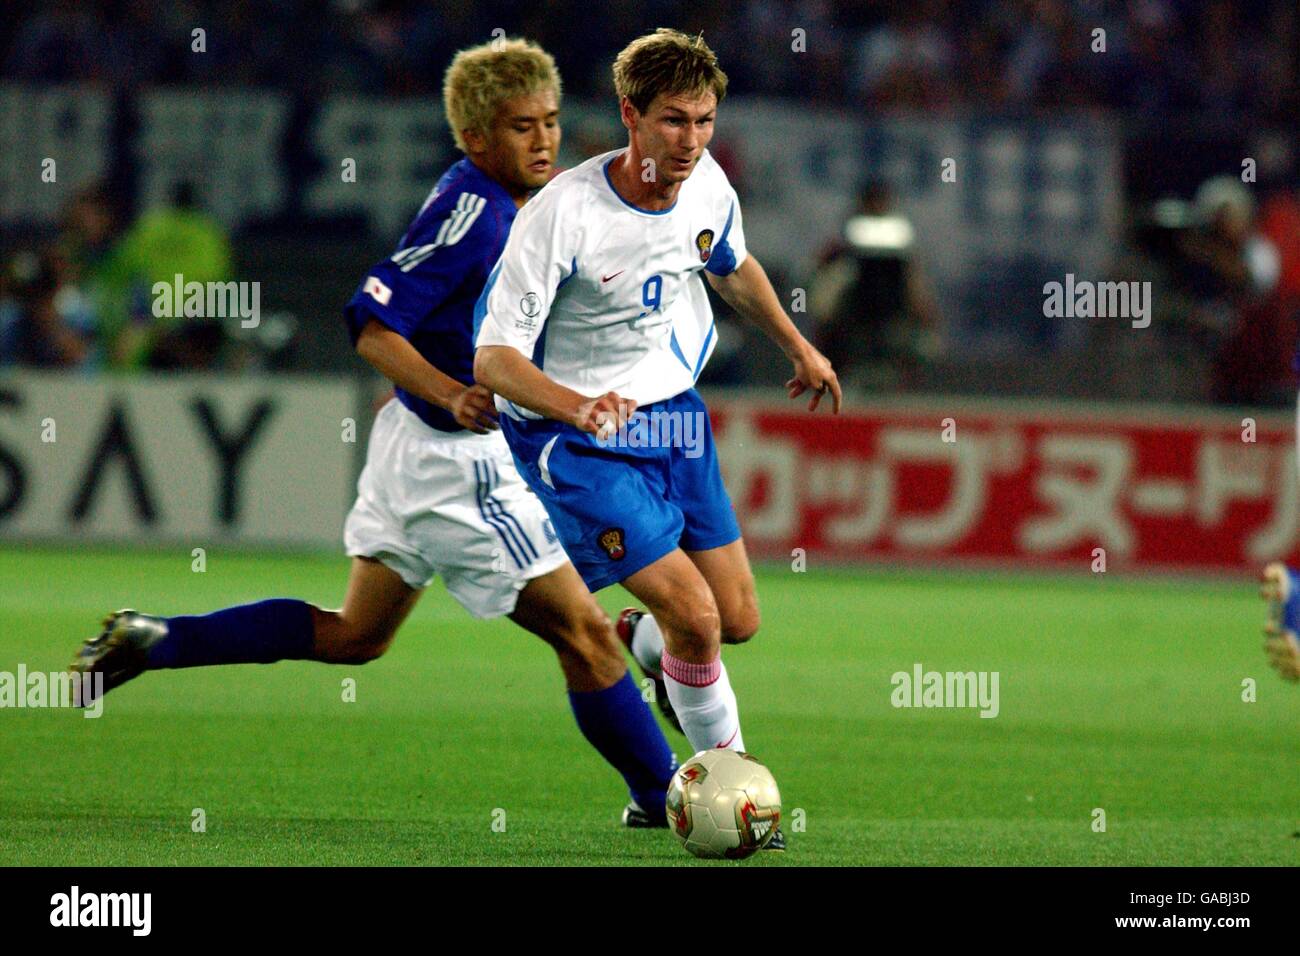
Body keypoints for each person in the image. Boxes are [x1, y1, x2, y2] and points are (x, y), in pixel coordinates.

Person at [69, 38, 680, 827]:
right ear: (475, 138)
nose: (544, 141)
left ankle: (162, 639)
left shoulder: (509, 204)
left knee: (356, 635)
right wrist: (453, 392)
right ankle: (664, 798)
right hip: (461, 465)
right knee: (587, 637)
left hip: (416, 451)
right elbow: (372, 322)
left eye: (552, 122)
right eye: (522, 127)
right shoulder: (476, 215)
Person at [474, 29, 843, 850]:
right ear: (629, 116)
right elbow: (494, 359)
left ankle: (636, 638)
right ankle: (735, 792)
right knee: (697, 616)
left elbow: (730, 263)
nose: (693, 141)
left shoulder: (707, 182)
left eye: (706, 120)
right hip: (578, 442)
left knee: (735, 620)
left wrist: (797, 344)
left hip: (674, 420)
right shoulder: (562, 215)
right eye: (674, 121)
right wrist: (575, 407)